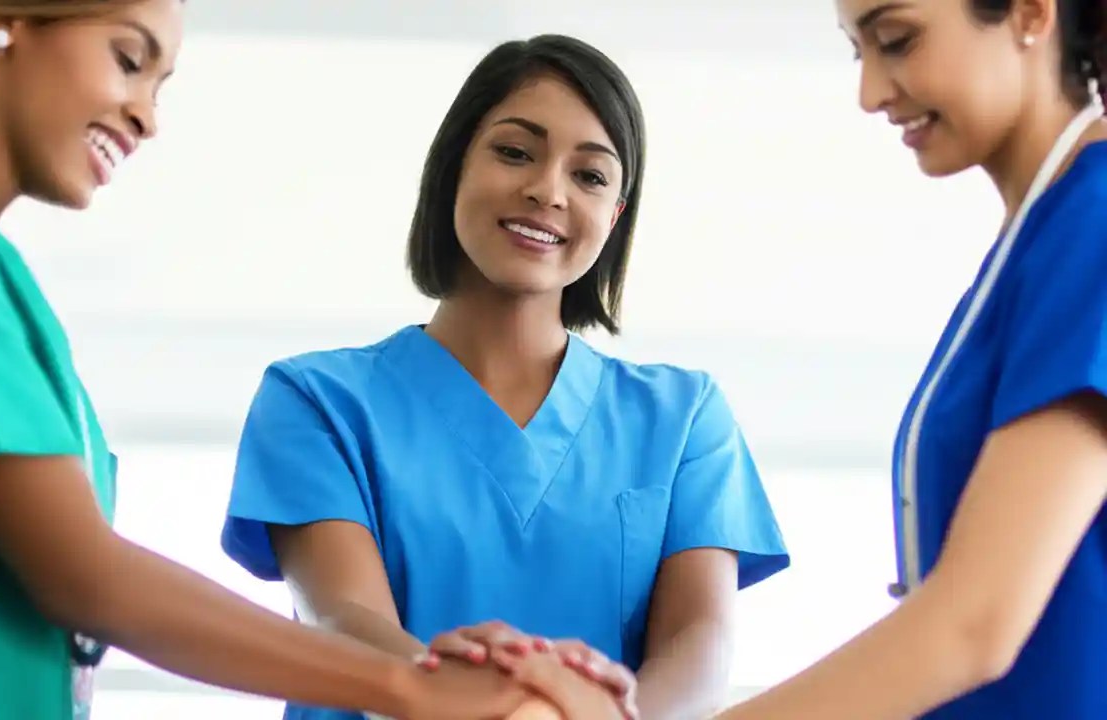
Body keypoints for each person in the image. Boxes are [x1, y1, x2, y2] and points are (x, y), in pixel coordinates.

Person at [0, 2, 597, 719]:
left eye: (160, 86)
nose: (147, 117)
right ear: (5, 19)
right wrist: (409, 683)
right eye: (129, 59)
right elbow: (84, 574)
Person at [221, 34, 791, 720]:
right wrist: (497, 704)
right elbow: (341, 619)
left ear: (614, 216)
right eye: (516, 152)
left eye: (589, 176)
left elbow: (699, 647)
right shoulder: (317, 402)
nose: (546, 191)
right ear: (453, 167)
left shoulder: (685, 417)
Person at [717, 0, 1107, 718]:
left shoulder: (1094, 227)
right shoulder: (1034, 246)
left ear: (1029, 12)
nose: (870, 92)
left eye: (897, 40)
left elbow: (975, 624)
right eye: (856, 50)